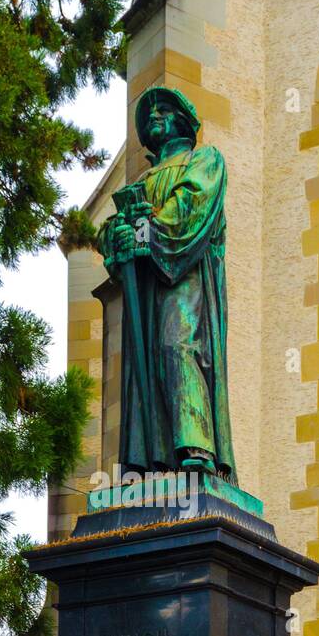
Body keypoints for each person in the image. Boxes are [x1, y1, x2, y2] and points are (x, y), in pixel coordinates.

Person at [99, 87, 237, 480]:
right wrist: (119, 237)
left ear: (183, 118)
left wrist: (145, 232)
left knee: (177, 343)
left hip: (186, 276)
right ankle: (150, 462)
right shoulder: (141, 181)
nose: (155, 115)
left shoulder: (204, 160)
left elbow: (191, 207)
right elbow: (110, 230)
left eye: (164, 108)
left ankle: (196, 447)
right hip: (147, 290)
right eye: (149, 113)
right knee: (149, 360)